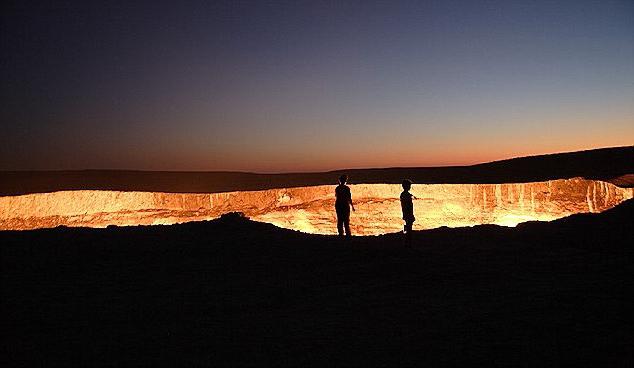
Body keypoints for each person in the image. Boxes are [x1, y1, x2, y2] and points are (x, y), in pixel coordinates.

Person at [400, 179, 416, 246]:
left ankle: (407, 242)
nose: (410, 187)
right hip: (408, 215)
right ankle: (407, 243)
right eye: (409, 185)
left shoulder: (404, 194)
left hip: (407, 215)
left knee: (408, 229)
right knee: (409, 230)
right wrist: (411, 215)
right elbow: (408, 207)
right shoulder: (406, 195)